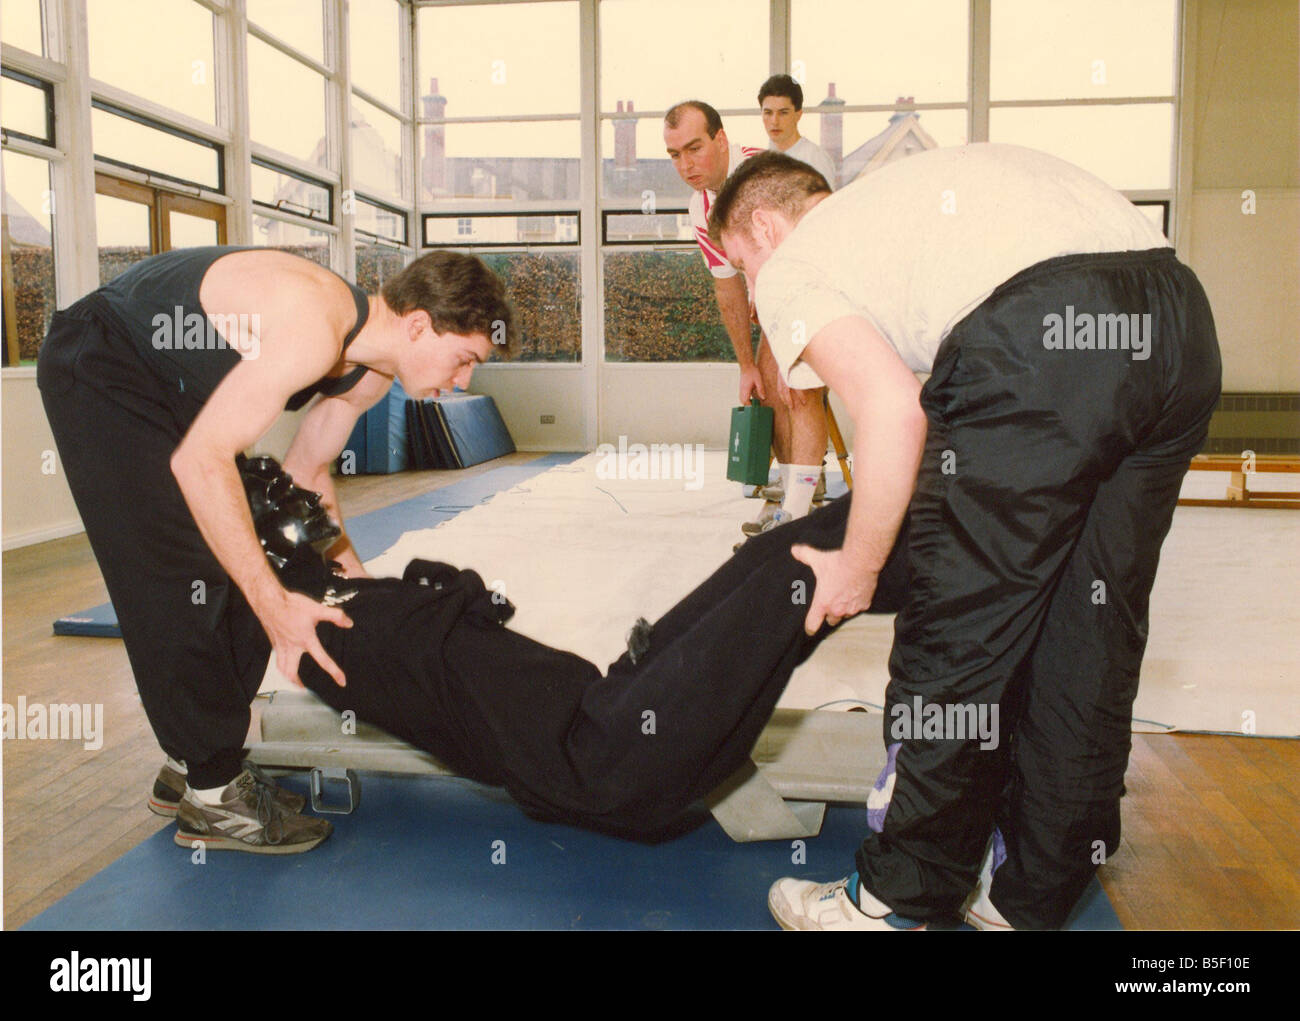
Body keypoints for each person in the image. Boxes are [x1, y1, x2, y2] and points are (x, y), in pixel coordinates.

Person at [708, 146, 1221, 929]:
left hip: (1041, 332)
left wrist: (859, 562)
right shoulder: (903, 214)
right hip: (1176, 321)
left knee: (959, 636)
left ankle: (890, 898)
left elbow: (892, 413)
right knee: (1092, 630)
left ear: (769, 226)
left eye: (743, 265)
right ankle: (1029, 900)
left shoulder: (795, 262)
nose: (752, 288)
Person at [37, 245, 514, 853]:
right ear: (419, 324)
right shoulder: (313, 325)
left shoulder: (368, 371)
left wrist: (359, 592)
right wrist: (273, 608)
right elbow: (201, 462)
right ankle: (213, 795)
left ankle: (197, 766)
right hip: (101, 361)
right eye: (466, 358)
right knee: (181, 568)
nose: (465, 379)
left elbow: (310, 475)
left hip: (168, 386)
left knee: (275, 545)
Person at [242, 455, 908, 840]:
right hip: (587, 707)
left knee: (788, 580)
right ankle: (889, 527)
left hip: (583, 746)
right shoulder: (364, 596)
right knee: (779, 562)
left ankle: (857, 548)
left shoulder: (318, 629)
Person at [662, 100, 829, 538]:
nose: (686, 164)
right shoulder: (700, 208)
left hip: (814, 285)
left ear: (721, 139)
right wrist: (746, 365)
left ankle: (799, 510)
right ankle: (790, 500)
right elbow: (727, 286)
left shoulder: (766, 172)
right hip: (773, 301)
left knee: (798, 389)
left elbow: (807, 251)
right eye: (675, 154)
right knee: (769, 389)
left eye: (695, 148)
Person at [758, 74, 837, 188]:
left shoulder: (815, 158)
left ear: (798, 115)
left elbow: (826, 205)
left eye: (783, 113)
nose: (774, 121)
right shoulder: (763, 161)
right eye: (768, 113)